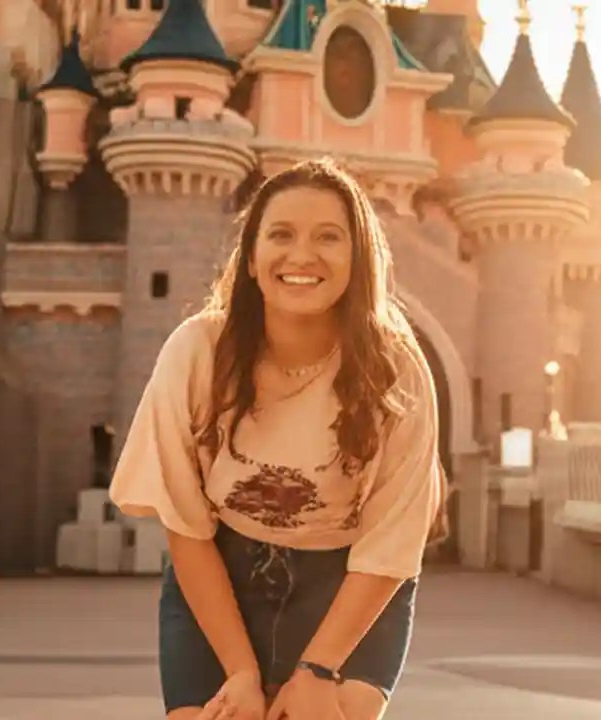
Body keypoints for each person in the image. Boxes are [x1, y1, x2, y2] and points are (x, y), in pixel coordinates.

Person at [109, 158, 446, 720]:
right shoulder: (197, 351)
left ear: (359, 257)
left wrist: (319, 669)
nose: (301, 255)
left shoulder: (396, 368)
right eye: (281, 235)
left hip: (347, 586)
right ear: (251, 257)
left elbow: (393, 539)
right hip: (220, 579)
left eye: (328, 237)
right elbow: (186, 524)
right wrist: (240, 671)